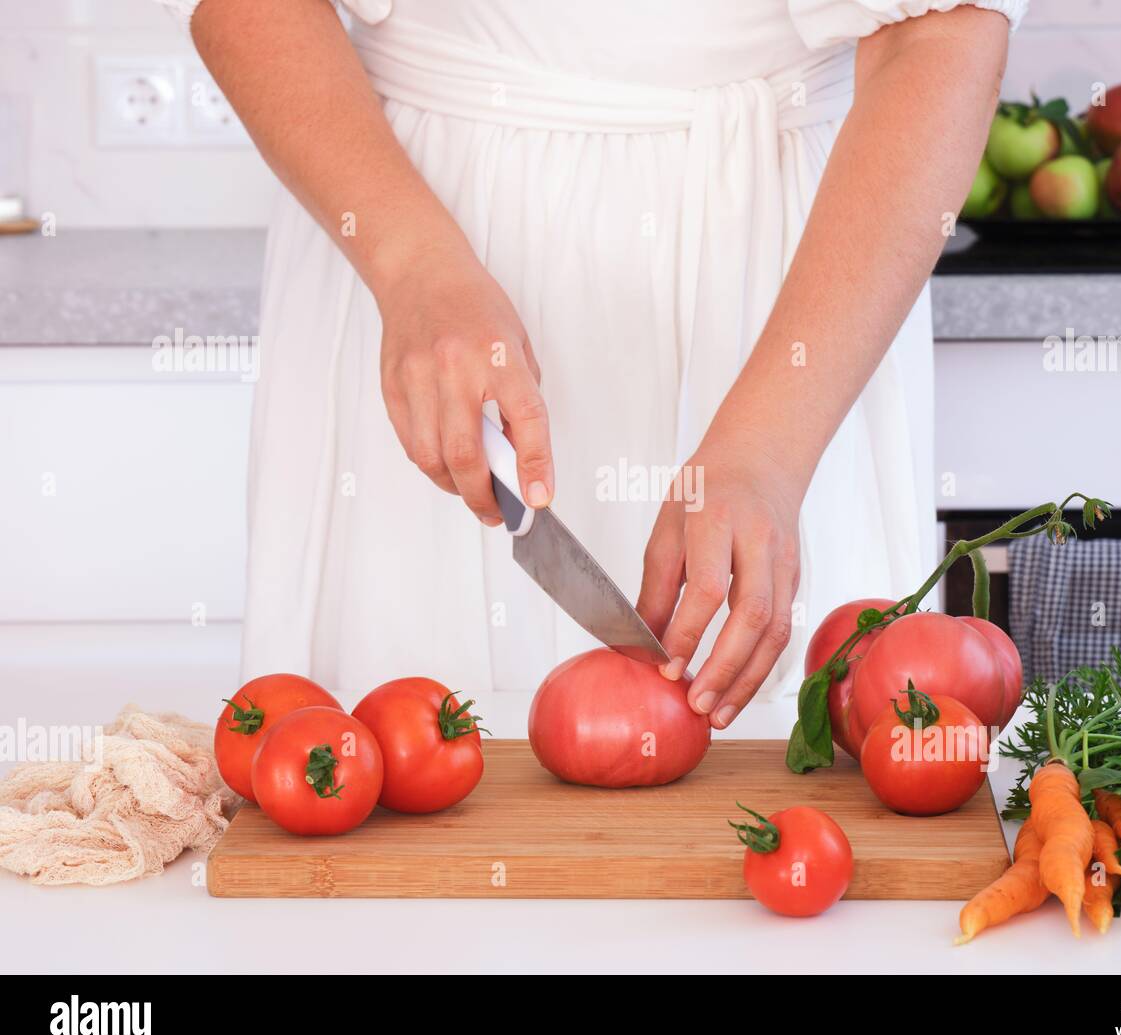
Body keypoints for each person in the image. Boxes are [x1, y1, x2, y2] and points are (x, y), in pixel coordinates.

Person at [161, 0, 1021, 726]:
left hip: (800, 293)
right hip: (406, 229)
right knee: (391, 775)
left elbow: (942, 29)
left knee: (803, 759)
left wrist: (768, 446)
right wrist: (411, 262)